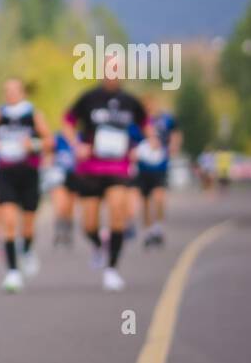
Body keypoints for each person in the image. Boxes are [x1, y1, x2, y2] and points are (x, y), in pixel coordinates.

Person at [63, 53, 146, 292]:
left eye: (117, 69)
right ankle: (98, 245)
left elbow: (146, 126)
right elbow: (67, 121)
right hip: (90, 168)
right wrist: (76, 145)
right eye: (109, 69)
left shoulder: (130, 101)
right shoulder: (89, 98)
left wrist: (139, 147)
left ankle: (112, 269)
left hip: (118, 168)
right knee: (88, 224)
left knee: (117, 213)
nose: (113, 73)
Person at [0, 78, 51, 292]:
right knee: (8, 222)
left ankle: (27, 249)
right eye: (7, 90)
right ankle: (12, 273)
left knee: (28, 223)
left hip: (29, 173)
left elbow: (50, 141)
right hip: (6, 173)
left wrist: (33, 144)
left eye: (14, 90)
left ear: (22, 92)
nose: (10, 94)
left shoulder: (33, 114)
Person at [134, 97, 179, 247]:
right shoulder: (137, 123)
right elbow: (130, 140)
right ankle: (148, 231)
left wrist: (174, 146)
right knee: (145, 201)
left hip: (160, 165)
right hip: (142, 166)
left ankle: (158, 227)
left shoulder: (165, 120)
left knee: (159, 196)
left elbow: (175, 132)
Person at [49, 130, 77, 247]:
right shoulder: (57, 139)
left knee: (69, 206)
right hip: (58, 176)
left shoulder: (79, 137)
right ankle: (58, 230)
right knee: (60, 205)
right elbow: (48, 154)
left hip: (74, 176)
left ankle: (67, 231)